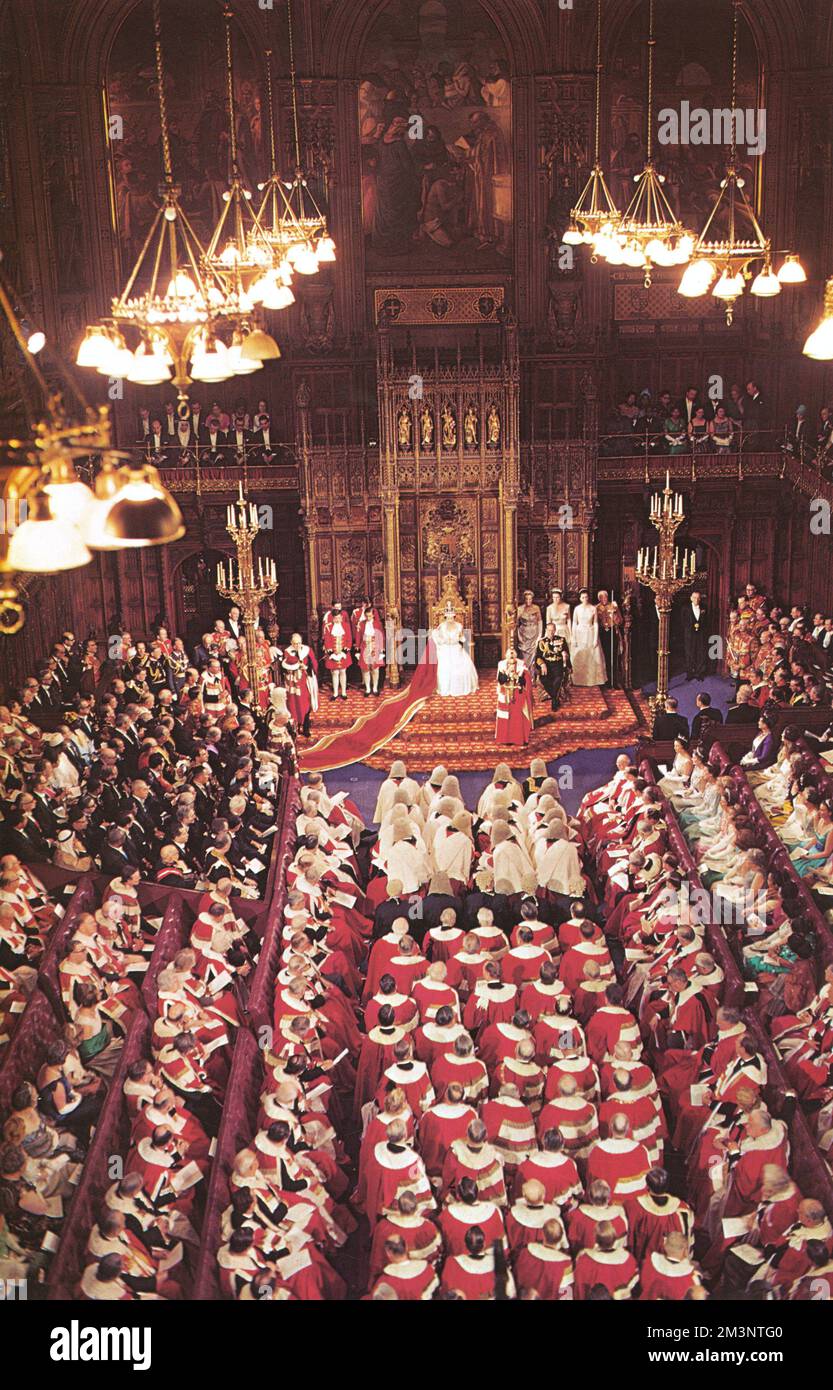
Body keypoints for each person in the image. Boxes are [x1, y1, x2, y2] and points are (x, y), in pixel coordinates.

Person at [432, 601, 478, 699]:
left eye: (452, 617)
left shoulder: (459, 626)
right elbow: (437, 638)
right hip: (445, 649)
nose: (450, 619)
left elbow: (462, 638)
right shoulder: (442, 627)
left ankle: (459, 688)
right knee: (445, 667)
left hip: (456, 648)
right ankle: (445, 688)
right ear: (445, 617)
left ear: (454, 616)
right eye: (448, 617)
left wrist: (466, 640)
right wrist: (442, 641)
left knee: (462, 667)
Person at [495, 650, 533, 747]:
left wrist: (517, 676)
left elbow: (525, 680)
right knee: (506, 717)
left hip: (518, 694)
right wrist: (507, 674)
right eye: (509, 657)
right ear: (506, 657)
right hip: (506, 693)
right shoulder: (502, 665)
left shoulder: (521, 665)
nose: (511, 659)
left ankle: (519, 739)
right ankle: (506, 739)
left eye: (513, 656)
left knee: (517, 717)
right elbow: (500, 679)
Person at [570, 591, 607, 687]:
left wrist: (595, 638)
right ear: (580, 598)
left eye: (586, 597)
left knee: (591, 656)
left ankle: (591, 680)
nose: (585, 599)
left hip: (590, 633)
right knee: (580, 655)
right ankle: (578, 680)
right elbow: (574, 623)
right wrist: (573, 637)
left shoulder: (593, 608)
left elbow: (595, 623)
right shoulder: (577, 609)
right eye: (583, 597)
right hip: (579, 633)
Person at [535, 623, 570, 711]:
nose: (551, 632)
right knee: (544, 679)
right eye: (549, 630)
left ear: (555, 630)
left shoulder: (561, 640)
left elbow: (567, 653)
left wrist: (565, 654)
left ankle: (554, 701)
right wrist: (542, 664)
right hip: (546, 665)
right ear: (546, 630)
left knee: (558, 679)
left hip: (558, 664)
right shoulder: (541, 642)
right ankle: (555, 697)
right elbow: (538, 656)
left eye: (552, 630)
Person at [322, 603, 353, 701]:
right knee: (334, 673)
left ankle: (343, 692)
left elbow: (349, 640)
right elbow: (327, 641)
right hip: (333, 655)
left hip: (344, 654)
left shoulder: (346, 626)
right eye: (335, 618)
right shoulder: (328, 627)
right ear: (333, 618)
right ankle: (335, 693)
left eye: (339, 618)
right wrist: (332, 654)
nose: (337, 620)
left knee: (343, 671)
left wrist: (344, 652)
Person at [515, 592, 543, 679]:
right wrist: (518, 636)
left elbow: (540, 622)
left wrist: (540, 635)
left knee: (534, 654)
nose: (528, 601)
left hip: (534, 632)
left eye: (530, 599)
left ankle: (532, 676)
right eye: (526, 599)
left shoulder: (536, 608)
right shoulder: (520, 609)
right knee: (524, 655)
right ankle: (525, 676)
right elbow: (516, 623)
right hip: (524, 633)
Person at [683, 589, 709, 681]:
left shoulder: (704, 607)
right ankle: (690, 673)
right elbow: (683, 622)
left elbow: (707, 621)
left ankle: (699, 673)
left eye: (698, 598)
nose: (696, 600)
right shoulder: (685, 608)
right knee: (689, 654)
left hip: (701, 634)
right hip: (690, 635)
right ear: (691, 598)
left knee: (701, 653)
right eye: (694, 597)